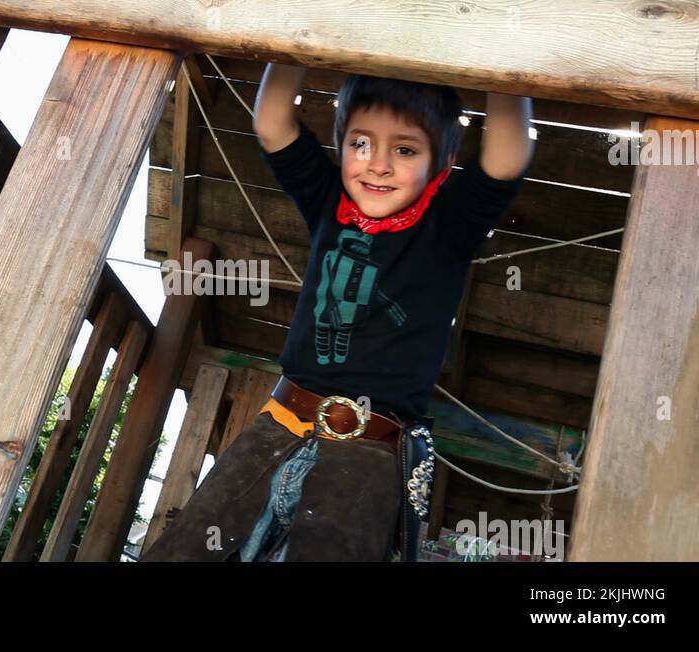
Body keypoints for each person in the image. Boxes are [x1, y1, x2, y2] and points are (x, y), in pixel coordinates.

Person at [141, 64, 534, 562]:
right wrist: (296, 38)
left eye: (406, 150)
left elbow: (506, 154)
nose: (378, 164)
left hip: (371, 453)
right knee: (182, 550)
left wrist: (504, 45)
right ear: (341, 142)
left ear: (444, 159)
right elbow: (272, 124)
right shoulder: (330, 201)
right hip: (277, 427)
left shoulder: (449, 226)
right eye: (361, 143)